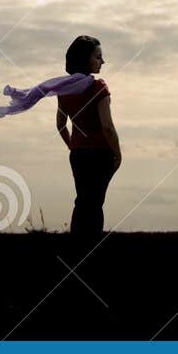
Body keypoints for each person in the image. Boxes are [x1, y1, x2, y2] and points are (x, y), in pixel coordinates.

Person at [54, 35, 121, 238]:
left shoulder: (64, 90)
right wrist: (118, 154)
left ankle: (77, 246)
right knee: (94, 203)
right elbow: (107, 127)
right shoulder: (98, 87)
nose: (103, 62)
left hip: (78, 155)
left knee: (82, 201)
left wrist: (72, 146)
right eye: (98, 57)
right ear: (86, 59)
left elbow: (60, 124)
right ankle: (90, 248)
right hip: (101, 154)